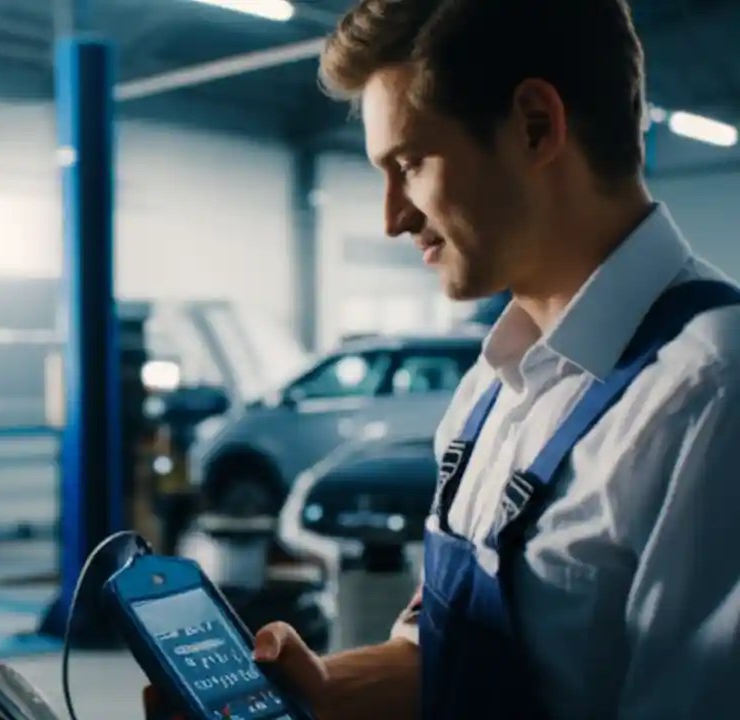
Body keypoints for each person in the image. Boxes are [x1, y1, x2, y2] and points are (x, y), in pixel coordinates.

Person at [143, 1, 740, 719]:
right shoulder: (493, 387)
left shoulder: (711, 392)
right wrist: (320, 695)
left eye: (409, 164)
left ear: (535, 126)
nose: (392, 217)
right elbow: (455, 656)